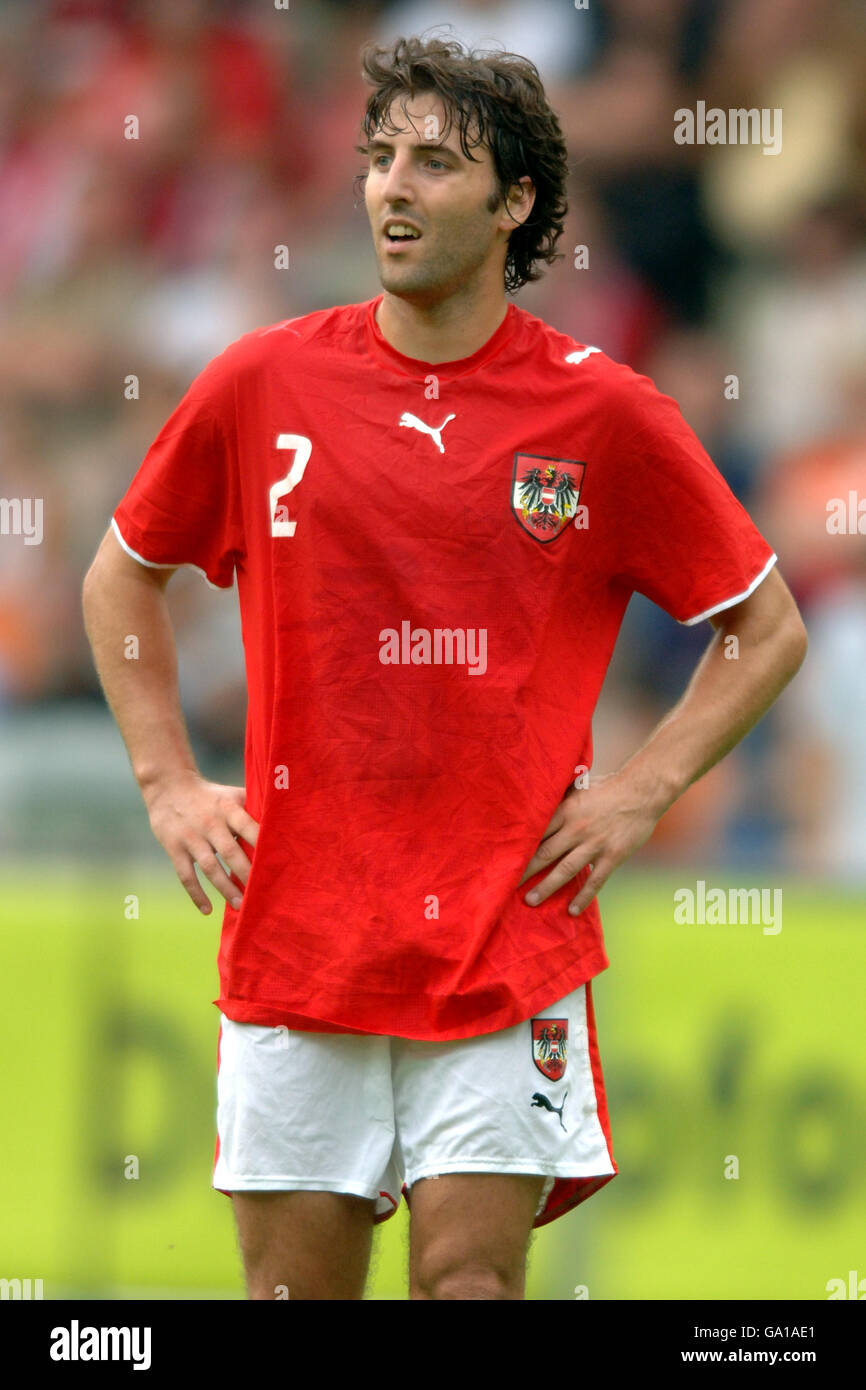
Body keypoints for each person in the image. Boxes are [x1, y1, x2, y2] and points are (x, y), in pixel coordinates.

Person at [82, 35, 808, 1301]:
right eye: (378, 158)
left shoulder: (601, 413)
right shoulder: (264, 381)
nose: (390, 188)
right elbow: (118, 574)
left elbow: (765, 625)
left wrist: (639, 791)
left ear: (514, 200)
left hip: (502, 936)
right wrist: (166, 782)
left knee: (467, 1286)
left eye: (432, 161)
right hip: (300, 939)